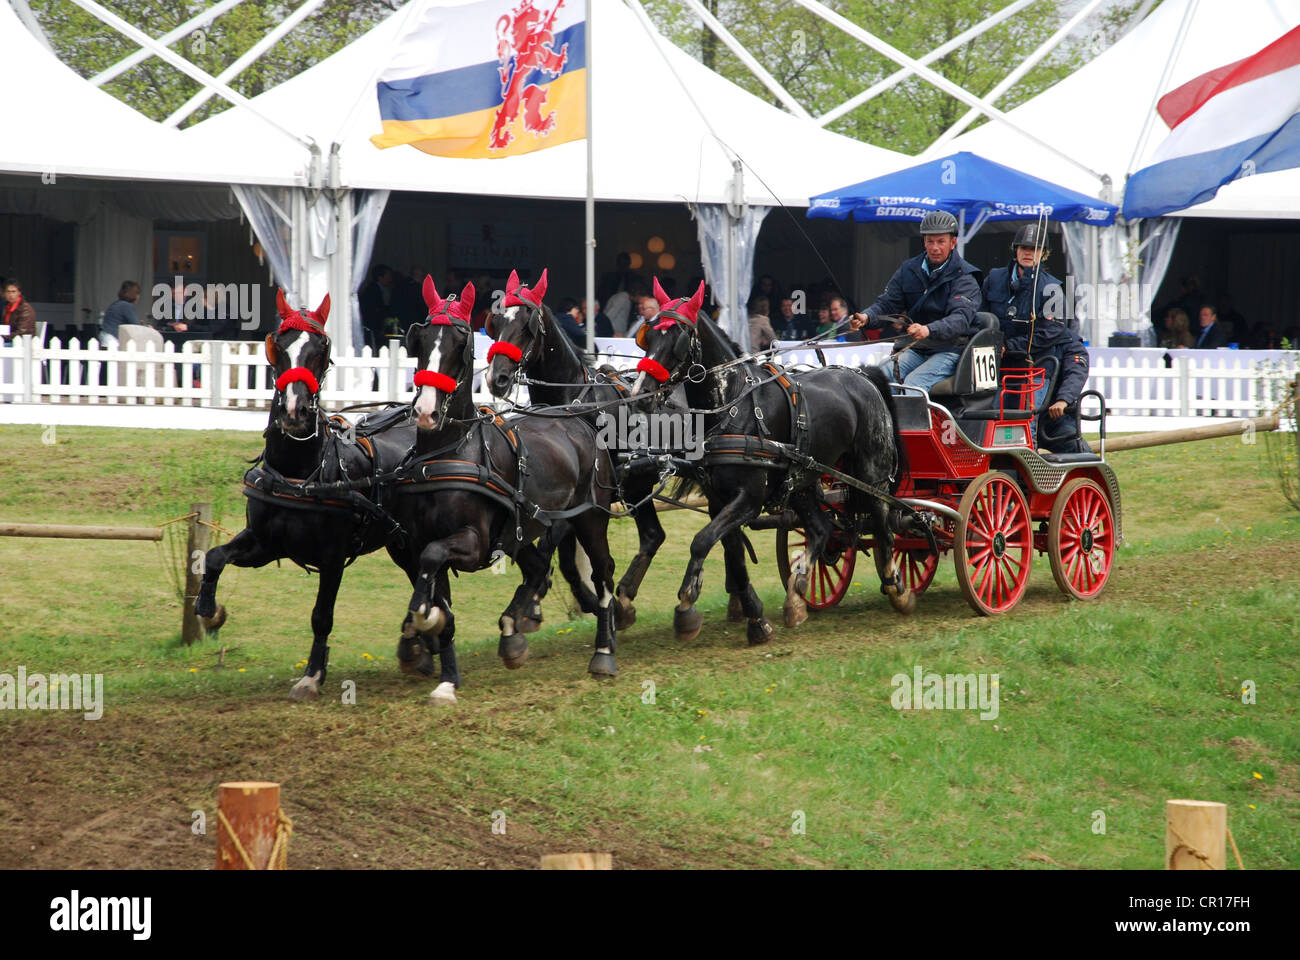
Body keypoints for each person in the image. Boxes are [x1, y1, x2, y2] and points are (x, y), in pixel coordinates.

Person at [849, 210, 982, 394]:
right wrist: (866, 317)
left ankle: (914, 424)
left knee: (913, 384)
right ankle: (884, 423)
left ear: (953, 243)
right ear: (924, 241)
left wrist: (928, 330)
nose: (935, 247)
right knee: (878, 377)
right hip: (916, 348)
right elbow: (888, 304)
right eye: (930, 241)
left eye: (941, 241)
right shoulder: (909, 269)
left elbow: (960, 319)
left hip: (949, 350)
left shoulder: (965, 277)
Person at [985, 225, 1087, 451]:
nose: (1028, 253)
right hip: (999, 367)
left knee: (1024, 419)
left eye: (1035, 248)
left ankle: (1023, 470)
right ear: (1015, 250)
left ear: (1044, 253)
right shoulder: (994, 279)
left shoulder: (1052, 288)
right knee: (989, 418)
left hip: (1036, 368)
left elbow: (1051, 332)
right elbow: (984, 318)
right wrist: (995, 343)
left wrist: (1011, 345)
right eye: (1024, 247)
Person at [100, 281, 141, 349]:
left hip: (105, 336)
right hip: (113, 339)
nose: (138, 296)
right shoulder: (126, 306)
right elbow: (136, 325)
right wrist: (146, 326)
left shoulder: (116, 304)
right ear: (133, 294)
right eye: (137, 293)